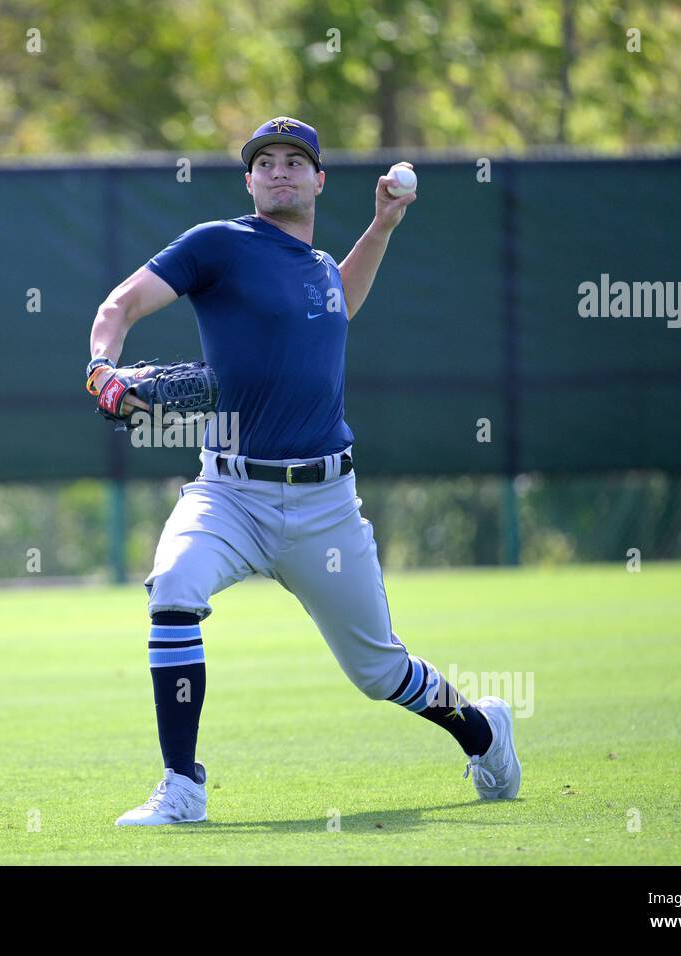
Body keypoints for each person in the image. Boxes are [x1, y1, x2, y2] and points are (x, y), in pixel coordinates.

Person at [84, 116, 521, 827]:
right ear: (249, 180)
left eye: (295, 161)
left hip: (324, 507)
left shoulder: (318, 269)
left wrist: (380, 227)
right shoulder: (218, 245)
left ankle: (484, 731)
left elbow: (339, 304)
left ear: (319, 180)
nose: (280, 171)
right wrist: (102, 365)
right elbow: (120, 305)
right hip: (228, 492)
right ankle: (182, 786)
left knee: (380, 672)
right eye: (266, 162)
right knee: (173, 589)